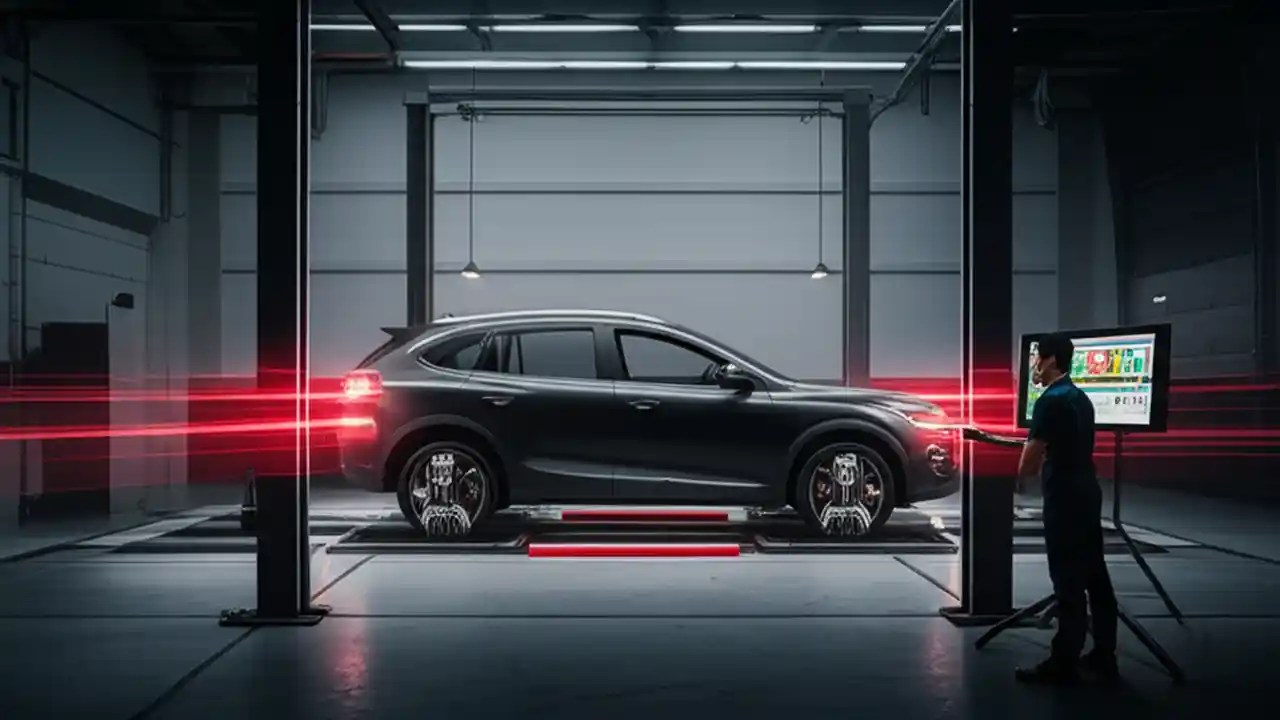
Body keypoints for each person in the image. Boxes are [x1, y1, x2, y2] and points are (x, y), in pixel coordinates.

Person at [1014, 333, 1120, 685]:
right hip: (1087, 492)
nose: (1034, 366)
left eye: (1037, 359)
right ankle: (1104, 654)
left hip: (1063, 498)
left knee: (1067, 580)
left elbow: (1028, 464)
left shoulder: (1048, 401)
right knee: (1095, 576)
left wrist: (1015, 472)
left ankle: (1063, 661)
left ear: (1052, 360)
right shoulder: (1081, 398)